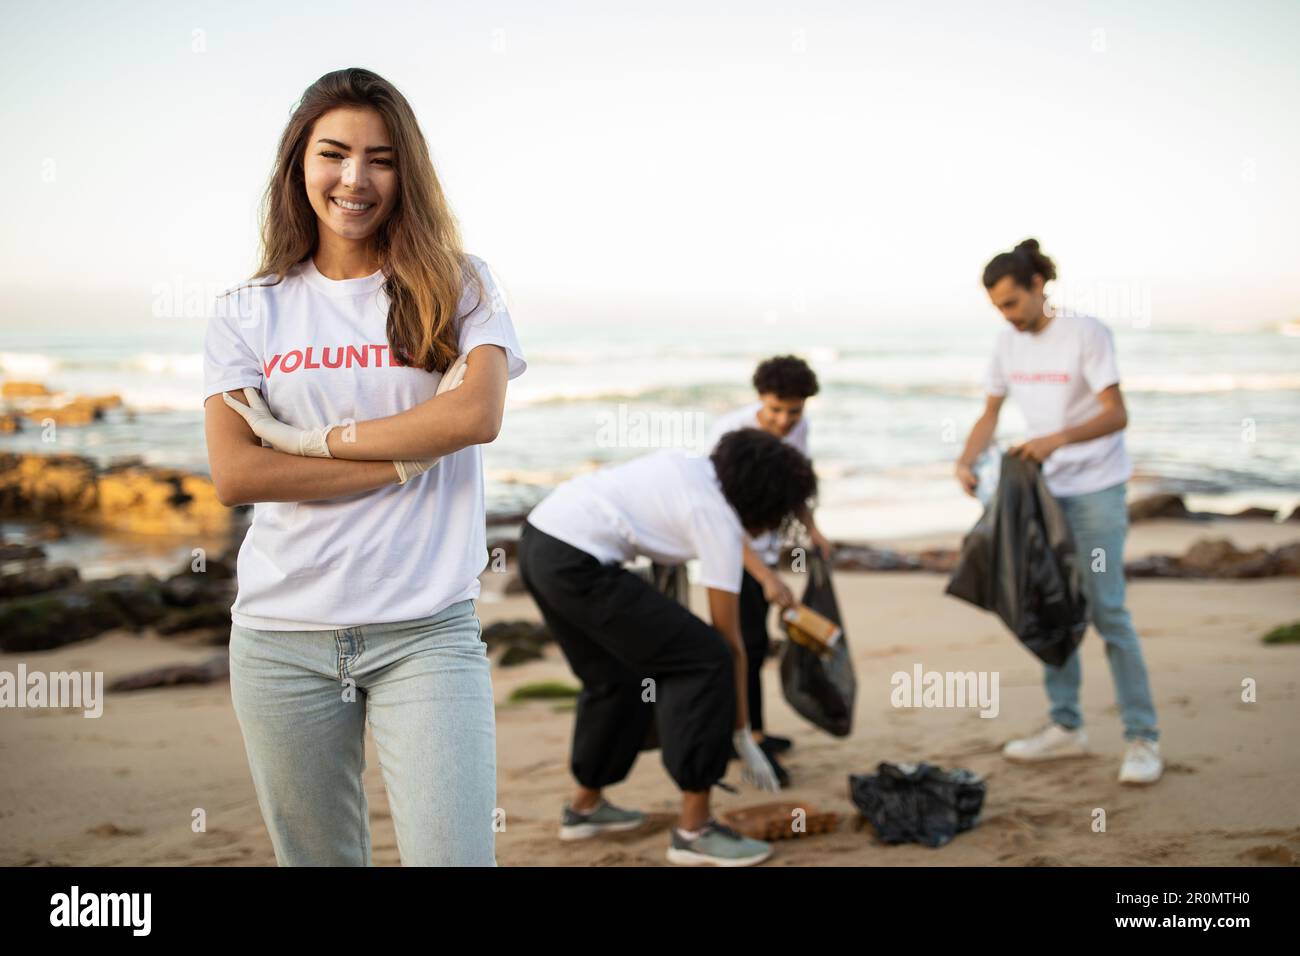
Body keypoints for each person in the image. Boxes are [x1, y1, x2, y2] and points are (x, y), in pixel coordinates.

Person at [202, 67, 527, 865]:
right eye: (334, 154)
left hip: (427, 629)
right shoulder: (246, 310)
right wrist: (406, 456)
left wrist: (304, 442)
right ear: (298, 164)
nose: (355, 179)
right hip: (282, 637)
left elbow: (475, 418)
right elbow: (238, 474)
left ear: (406, 171)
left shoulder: (458, 284)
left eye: (381, 159)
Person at [517, 429, 818, 865]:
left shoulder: (697, 470)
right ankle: (694, 830)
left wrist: (765, 578)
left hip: (539, 543)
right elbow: (728, 641)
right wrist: (740, 732)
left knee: (614, 679)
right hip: (578, 564)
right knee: (705, 659)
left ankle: (584, 809)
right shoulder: (715, 517)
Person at [954, 238, 1161, 785]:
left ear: (1038, 285)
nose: (1006, 315)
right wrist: (967, 459)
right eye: (997, 307)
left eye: (1011, 303)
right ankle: (1066, 726)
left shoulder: (1086, 333)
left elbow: (1117, 414)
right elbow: (990, 413)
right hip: (1042, 494)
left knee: (1107, 610)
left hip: (1095, 490)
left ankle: (1142, 737)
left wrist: (1056, 439)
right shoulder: (1007, 343)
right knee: (1050, 603)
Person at [705, 355, 829, 785]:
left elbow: (795, 484)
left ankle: (750, 730)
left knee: (755, 645)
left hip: (765, 546)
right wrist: (764, 576)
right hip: (730, 552)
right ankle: (748, 737)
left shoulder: (799, 428)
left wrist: (813, 530)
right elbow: (717, 518)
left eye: (794, 411)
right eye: (776, 409)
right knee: (745, 644)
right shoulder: (731, 434)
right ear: (760, 398)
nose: (784, 421)